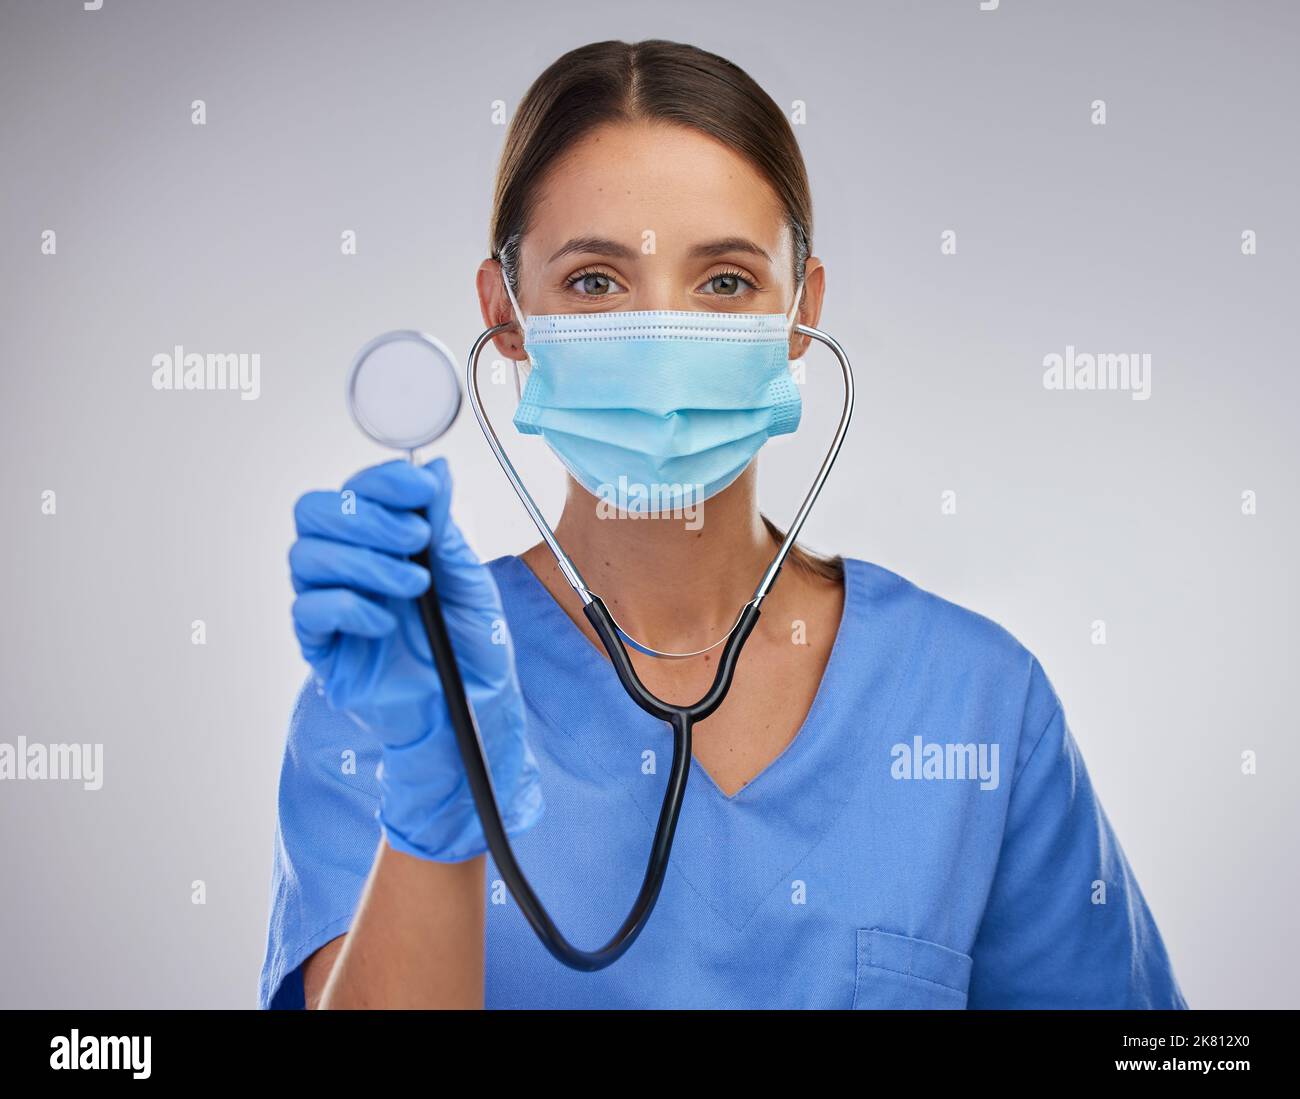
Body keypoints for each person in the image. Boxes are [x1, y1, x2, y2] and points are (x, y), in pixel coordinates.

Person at [259, 38, 1186, 1010]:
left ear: (800, 313)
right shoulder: (400, 681)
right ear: (505, 316)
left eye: (725, 282)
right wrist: (433, 810)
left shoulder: (974, 700)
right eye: (595, 282)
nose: (662, 339)